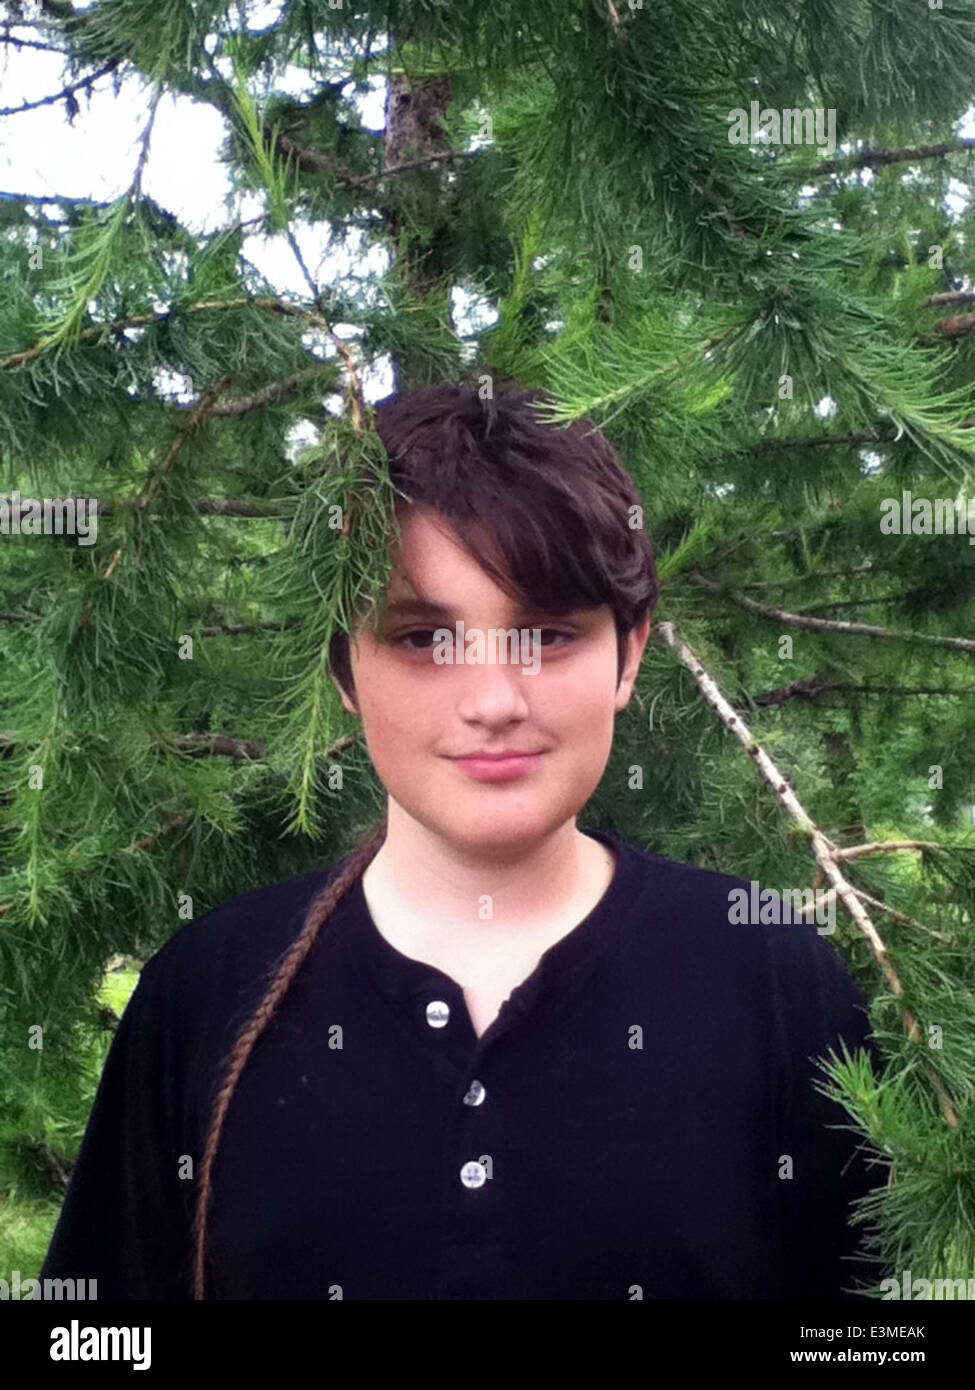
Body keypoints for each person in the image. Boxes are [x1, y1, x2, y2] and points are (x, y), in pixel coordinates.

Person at [40, 380, 887, 1300]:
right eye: (419, 638)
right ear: (342, 670)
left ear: (629, 654)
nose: (491, 701)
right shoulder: (203, 991)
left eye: (549, 633)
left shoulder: (771, 974)